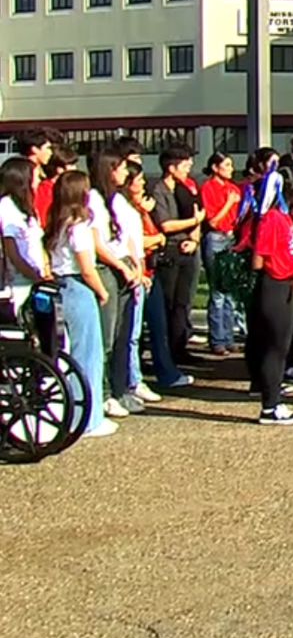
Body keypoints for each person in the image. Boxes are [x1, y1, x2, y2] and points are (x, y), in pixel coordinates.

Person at [45, 172, 117, 438]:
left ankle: (78, 415)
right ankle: (89, 418)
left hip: (61, 285)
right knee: (88, 354)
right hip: (78, 285)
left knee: (74, 352)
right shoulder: (80, 226)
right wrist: (101, 291)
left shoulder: (58, 222)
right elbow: (87, 268)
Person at [245, 166, 293, 426]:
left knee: (282, 347)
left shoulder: (284, 216)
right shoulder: (271, 218)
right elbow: (258, 261)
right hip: (274, 284)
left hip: (286, 284)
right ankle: (269, 406)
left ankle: (275, 400)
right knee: (274, 348)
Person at [130, 163, 191, 394]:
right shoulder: (127, 208)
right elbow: (142, 239)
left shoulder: (144, 207)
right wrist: (157, 240)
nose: (144, 184)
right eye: (139, 180)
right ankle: (135, 380)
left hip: (150, 269)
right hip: (139, 271)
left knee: (158, 324)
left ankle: (165, 371)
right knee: (134, 333)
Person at [89, 150, 142, 419]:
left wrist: (135, 264)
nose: (125, 173)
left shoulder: (117, 199)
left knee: (124, 333)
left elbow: (129, 236)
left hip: (124, 264)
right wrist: (121, 266)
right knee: (107, 336)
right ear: (109, 170)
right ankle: (104, 393)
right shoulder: (94, 199)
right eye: (121, 168)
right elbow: (97, 242)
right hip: (108, 267)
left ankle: (120, 389)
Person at [150, 145, 204, 365]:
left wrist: (194, 239)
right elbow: (166, 224)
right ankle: (165, 352)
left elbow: (197, 212)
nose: (188, 168)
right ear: (171, 168)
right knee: (168, 303)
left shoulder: (186, 188)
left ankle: (180, 347)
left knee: (184, 303)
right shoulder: (158, 190)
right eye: (184, 165)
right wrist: (194, 221)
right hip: (169, 251)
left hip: (187, 249)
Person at [199, 154, 243, 354]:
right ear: (215, 167)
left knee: (230, 292)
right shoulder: (209, 188)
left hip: (231, 238)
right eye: (226, 165)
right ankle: (217, 339)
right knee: (217, 292)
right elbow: (213, 221)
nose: (231, 169)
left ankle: (229, 336)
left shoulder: (233, 188)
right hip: (216, 237)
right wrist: (228, 203)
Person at [0, 157, 50, 320]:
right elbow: (12, 251)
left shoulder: (28, 208)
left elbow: (38, 242)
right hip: (20, 283)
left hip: (37, 281)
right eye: (35, 176)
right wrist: (34, 276)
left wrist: (46, 271)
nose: (39, 180)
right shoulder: (6, 206)